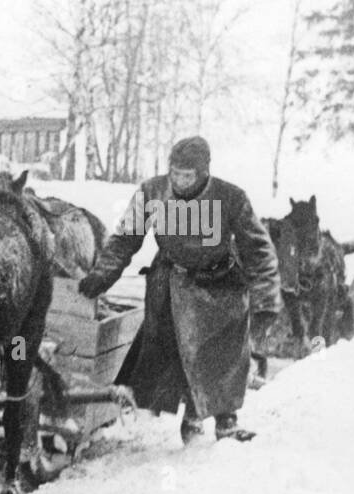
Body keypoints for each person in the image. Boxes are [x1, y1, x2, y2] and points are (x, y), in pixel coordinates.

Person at [79, 136, 281, 443]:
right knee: (180, 354)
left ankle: (226, 421)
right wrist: (103, 274)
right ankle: (191, 418)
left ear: (203, 173)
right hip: (175, 284)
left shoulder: (231, 197)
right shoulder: (152, 192)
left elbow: (259, 249)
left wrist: (266, 299)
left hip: (221, 287)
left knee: (224, 355)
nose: (179, 181)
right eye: (175, 173)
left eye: (187, 175)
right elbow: (125, 238)